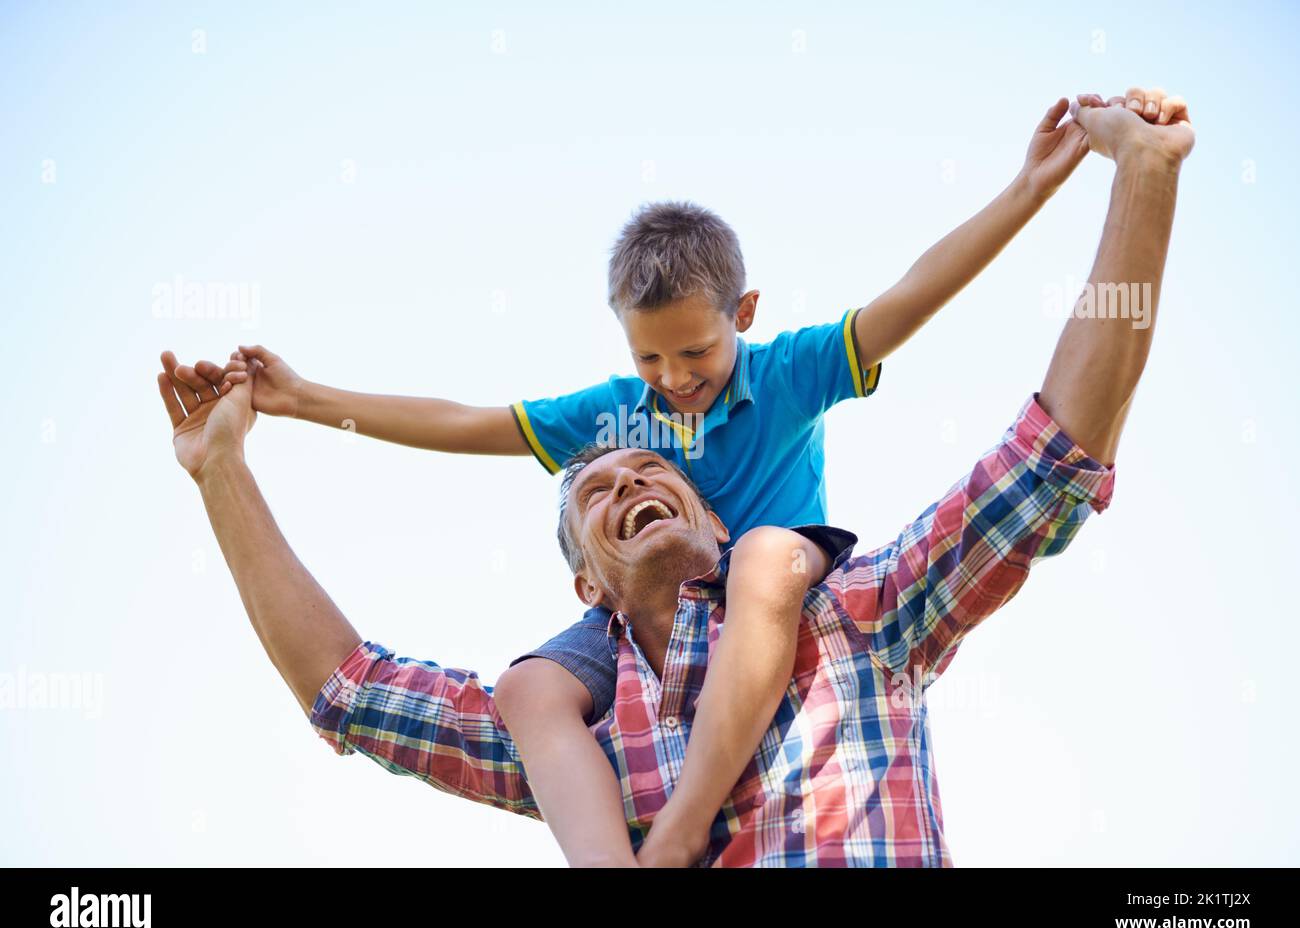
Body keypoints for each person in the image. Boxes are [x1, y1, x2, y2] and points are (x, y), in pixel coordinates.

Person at [160, 86, 1191, 866]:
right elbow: (352, 689)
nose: (638, 456)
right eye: (594, 489)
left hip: (788, 583)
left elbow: (1049, 450)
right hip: (644, 666)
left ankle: (685, 818)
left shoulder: (862, 611)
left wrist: (1121, 180)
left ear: (739, 321)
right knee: (526, 683)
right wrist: (246, 449)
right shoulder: (590, 726)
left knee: (775, 562)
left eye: (654, 469)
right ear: (586, 584)